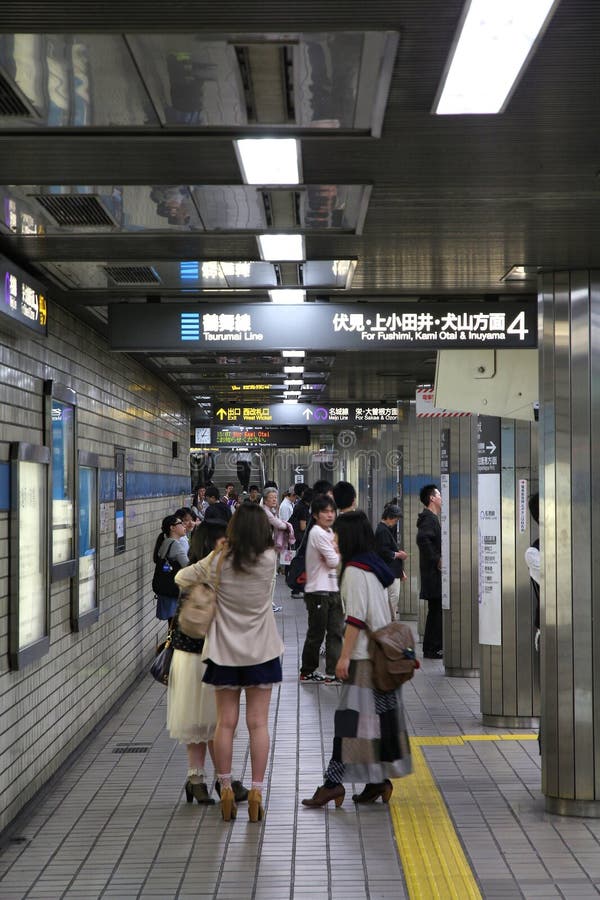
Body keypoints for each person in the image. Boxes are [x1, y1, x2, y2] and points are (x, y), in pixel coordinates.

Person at [175, 504, 283, 823]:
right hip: (261, 650)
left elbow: (182, 576)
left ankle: (224, 788)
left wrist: (212, 566)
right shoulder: (269, 559)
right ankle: (256, 792)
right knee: (258, 723)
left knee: (225, 723)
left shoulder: (219, 560)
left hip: (224, 653)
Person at [302, 510, 412, 808]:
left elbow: (355, 619)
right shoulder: (374, 565)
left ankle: (332, 784)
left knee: (349, 725)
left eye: (337, 535)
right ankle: (376, 783)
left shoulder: (353, 571)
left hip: (365, 659)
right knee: (373, 723)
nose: (334, 540)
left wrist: (344, 657)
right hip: (381, 658)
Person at [167, 506, 248, 806]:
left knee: (213, 722)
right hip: (193, 656)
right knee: (197, 722)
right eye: (223, 541)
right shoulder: (195, 573)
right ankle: (198, 778)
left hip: (210, 655)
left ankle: (216, 779)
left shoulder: (217, 571)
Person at [299, 494, 343, 684]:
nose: (329, 515)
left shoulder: (329, 533)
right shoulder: (317, 532)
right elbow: (333, 561)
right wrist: (336, 551)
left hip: (332, 589)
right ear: (316, 515)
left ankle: (333, 673)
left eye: (332, 511)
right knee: (317, 633)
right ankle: (308, 670)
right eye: (325, 511)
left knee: (335, 632)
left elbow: (334, 558)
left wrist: (335, 551)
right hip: (318, 591)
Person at [416, 484, 443, 659]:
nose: (441, 498)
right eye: (439, 494)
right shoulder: (429, 519)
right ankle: (432, 648)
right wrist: (436, 559)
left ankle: (431, 647)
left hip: (432, 573)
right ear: (432, 498)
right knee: (436, 610)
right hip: (433, 574)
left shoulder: (431, 518)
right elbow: (423, 538)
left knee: (435, 610)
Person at [262, 486, 295, 610]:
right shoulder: (266, 511)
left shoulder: (271, 511)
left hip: (270, 546)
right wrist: (287, 525)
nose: (274, 500)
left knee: (273, 576)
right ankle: (268, 603)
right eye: (271, 497)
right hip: (266, 547)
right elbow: (279, 524)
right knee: (270, 577)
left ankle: (270, 602)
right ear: (265, 500)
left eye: (275, 497)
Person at [152, 514, 189, 623]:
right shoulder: (175, 545)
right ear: (172, 528)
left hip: (166, 591)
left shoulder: (165, 543)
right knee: (177, 628)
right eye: (180, 524)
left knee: (172, 628)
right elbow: (188, 567)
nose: (184, 526)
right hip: (175, 592)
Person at [375, 504, 408, 615]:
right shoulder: (383, 531)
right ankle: (390, 622)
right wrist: (399, 555)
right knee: (392, 598)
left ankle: (390, 620)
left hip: (392, 571)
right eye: (396, 519)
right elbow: (383, 552)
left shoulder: (385, 529)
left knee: (392, 599)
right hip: (390, 571)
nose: (396, 522)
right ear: (389, 517)